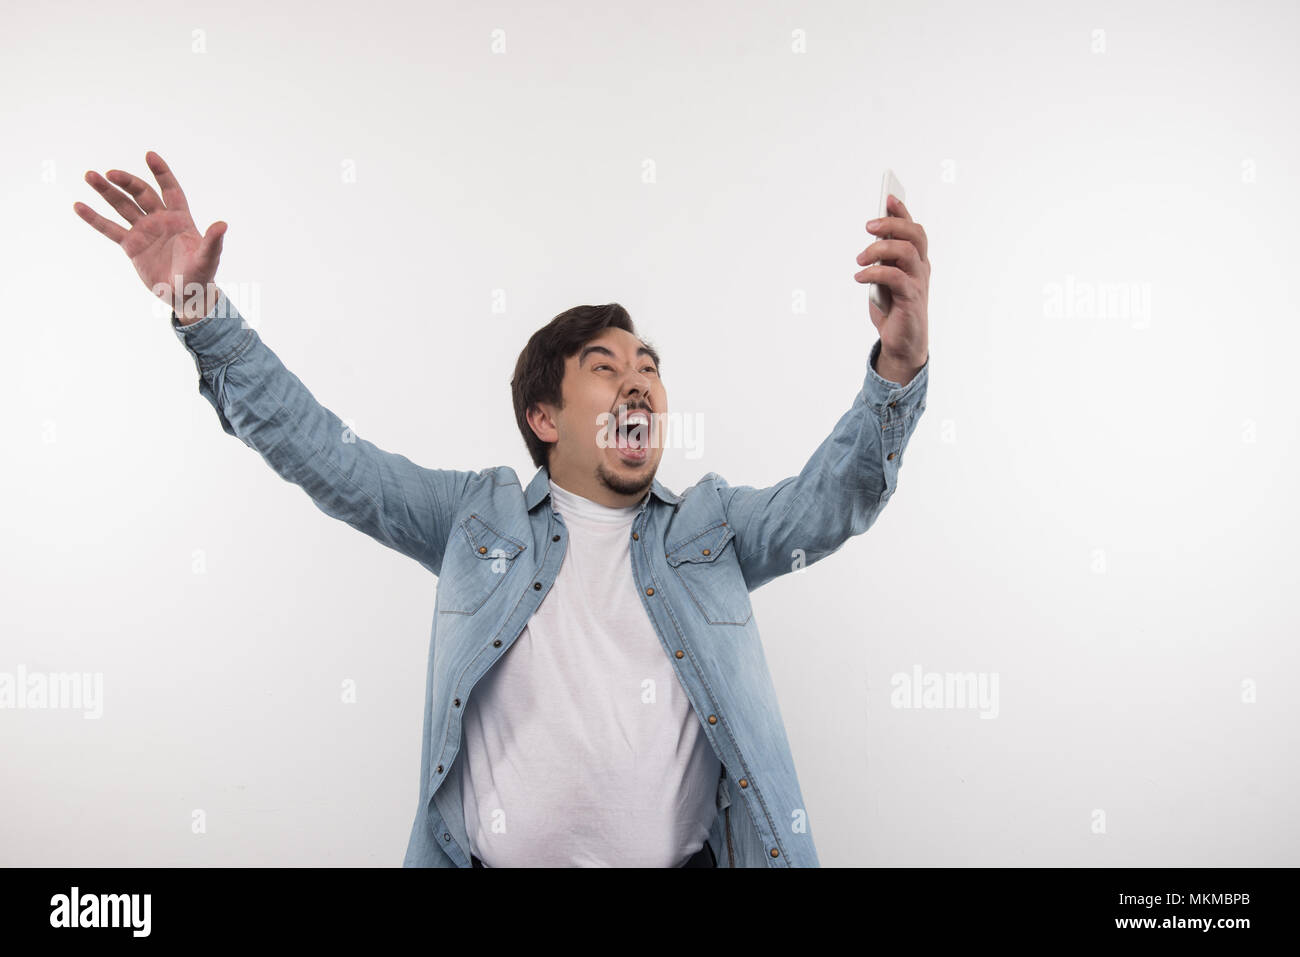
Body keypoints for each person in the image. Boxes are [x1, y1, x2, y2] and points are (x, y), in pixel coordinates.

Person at [74, 151, 931, 867]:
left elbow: (836, 500)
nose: (638, 376)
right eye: (604, 365)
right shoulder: (473, 521)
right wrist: (198, 310)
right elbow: (322, 453)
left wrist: (898, 362)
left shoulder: (711, 530)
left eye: (648, 364)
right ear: (544, 418)